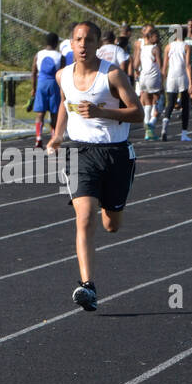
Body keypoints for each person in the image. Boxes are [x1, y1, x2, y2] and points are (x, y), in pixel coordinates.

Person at [45, 21, 142, 313]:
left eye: (88, 40)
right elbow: (64, 102)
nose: (83, 45)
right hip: (80, 152)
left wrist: (102, 112)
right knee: (84, 216)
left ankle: (108, 207)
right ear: (71, 44)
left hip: (116, 154)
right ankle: (88, 286)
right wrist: (57, 136)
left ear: (97, 44)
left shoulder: (112, 75)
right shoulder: (63, 75)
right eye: (78, 39)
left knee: (111, 225)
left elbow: (138, 113)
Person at [160, 24, 192, 142]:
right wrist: (191, 83)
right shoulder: (186, 46)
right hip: (182, 76)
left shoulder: (168, 46)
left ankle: (164, 128)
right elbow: (188, 65)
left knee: (170, 104)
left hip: (171, 77)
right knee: (185, 105)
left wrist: (162, 81)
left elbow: (164, 67)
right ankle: (184, 133)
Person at [30, 32, 61, 148]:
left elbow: (33, 72)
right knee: (54, 114)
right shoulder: (59, 56)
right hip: (54, 84)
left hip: (41, 84)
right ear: (56, 43)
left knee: (40, 113)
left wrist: (33, 88)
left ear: (45, 43)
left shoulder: (38, 54)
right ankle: (53, 138)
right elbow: (62, 74)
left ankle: (38, 137)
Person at [133, 24, 162, 140]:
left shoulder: (142, 47)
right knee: (158, 100)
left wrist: (136, 71)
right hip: (152, 76)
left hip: (143, 76)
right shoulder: (154, 47)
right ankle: (151, 122)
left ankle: (147, 131)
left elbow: (136, 63)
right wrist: (162, 76)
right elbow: (160, 65)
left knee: (146, 101)